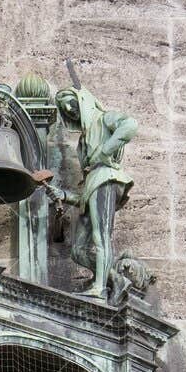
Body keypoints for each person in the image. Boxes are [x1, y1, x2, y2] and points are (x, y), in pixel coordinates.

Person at [54, 85, 137, 298]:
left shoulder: (105, 119)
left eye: (72, 104)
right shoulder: (83, 141)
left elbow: (130, 125)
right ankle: (114, 279)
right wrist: (63, 195)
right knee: (78, 250)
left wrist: (104, 150)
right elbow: (85, 195)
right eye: (65, 109)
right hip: (94, 184)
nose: (70, 110)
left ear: (83, 101)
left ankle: (99, 288)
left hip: (107, 178)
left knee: (101, 237)